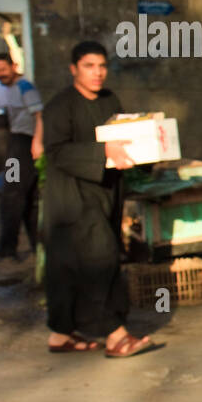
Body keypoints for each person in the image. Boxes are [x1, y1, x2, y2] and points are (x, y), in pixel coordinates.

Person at [42, 41, 154, 357]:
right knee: (100, 261)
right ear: (74, 69)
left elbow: (122, 137)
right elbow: (56, 152)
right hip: (72, 199)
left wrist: (146, 148)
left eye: (102, 66)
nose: (97, 73)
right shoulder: (60, 106)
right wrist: (102, 151)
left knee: (65, 268)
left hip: (105, 192)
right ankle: (115, 334)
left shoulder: (109, 100)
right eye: (89, 66)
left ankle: (60, 335)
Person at [0, 53, 42, 264]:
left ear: (13, 66)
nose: (0, 74)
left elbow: (39, 115)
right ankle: (36, 247)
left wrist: (37, 142)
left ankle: (7, 251)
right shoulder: (10, 88)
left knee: (11, 194)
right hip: (16, 142)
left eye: (3, 69)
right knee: (28, 197)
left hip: (24, 145)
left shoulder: (25, 87)